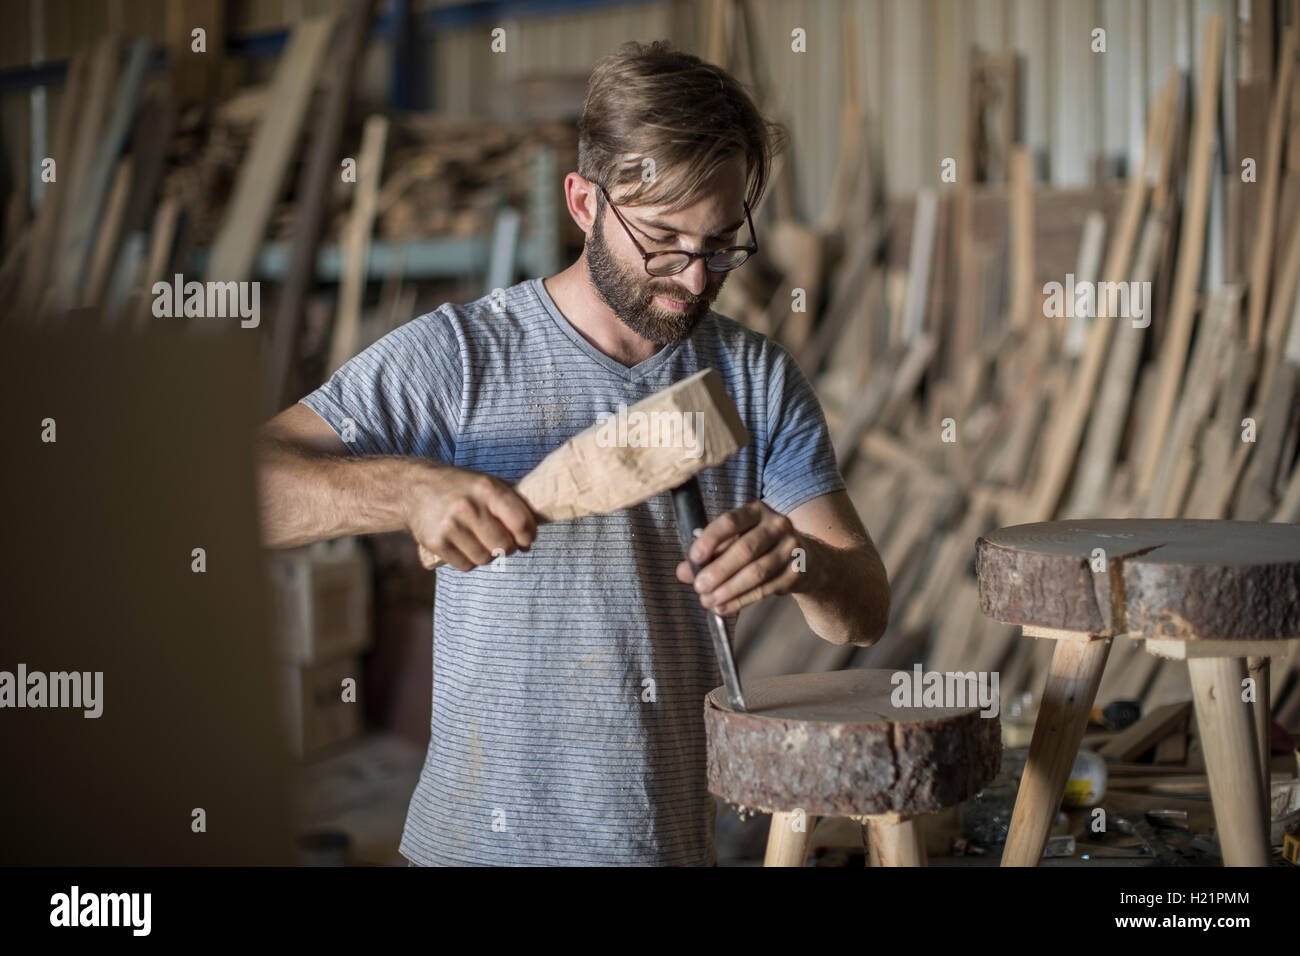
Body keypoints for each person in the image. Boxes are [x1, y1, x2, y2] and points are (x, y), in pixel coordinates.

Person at [256, 40, 890, 866]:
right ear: (583, 202)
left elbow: (866, 609)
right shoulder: (458, 357)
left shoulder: (754, 380)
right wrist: (408, 491)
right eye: (663, 240)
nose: (695, 281)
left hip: (659, 845)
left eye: (721, 245)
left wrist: (801, 560)